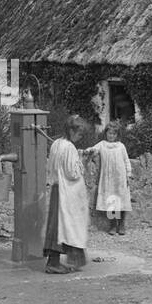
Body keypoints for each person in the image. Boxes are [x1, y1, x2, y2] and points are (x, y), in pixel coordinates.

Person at [44, 116, 90, 274]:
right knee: (66, 226)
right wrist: (81, 162)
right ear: (71, 131)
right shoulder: (69, 148)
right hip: (67, 192)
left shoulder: (56, 143)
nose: (80, 137)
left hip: (57, 188)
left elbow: (51, 165)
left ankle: (61, 260)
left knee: (57, 225)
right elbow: (73, 173)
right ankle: (54, 262)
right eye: (79, 134)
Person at [88, 121, 132, 234]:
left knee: (121, 199)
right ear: (106, 134)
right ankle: (112, 225)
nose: (111, 136)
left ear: (117, 135)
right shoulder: (102, 144)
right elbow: (93, 150)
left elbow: (126, 160)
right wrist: (89, 151)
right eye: (109, 133)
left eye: (114, 134)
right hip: (108, 178)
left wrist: (128, 174)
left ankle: (121, 225)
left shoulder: (121, 146)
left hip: (120, 178)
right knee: (111, 200)